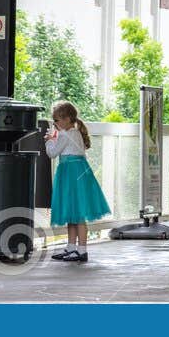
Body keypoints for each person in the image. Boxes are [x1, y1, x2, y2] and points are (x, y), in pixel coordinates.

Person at [44, 100, 111, 262]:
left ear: (67, 119)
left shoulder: (66, 134)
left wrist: (49, 140)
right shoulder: (74, 133)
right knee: (73, 213)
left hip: (71, 174)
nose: (55, 123)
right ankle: (72, 247)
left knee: (77, 214)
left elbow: (52, 153)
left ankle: (81, 250)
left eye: (57, 120)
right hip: (76, 172)